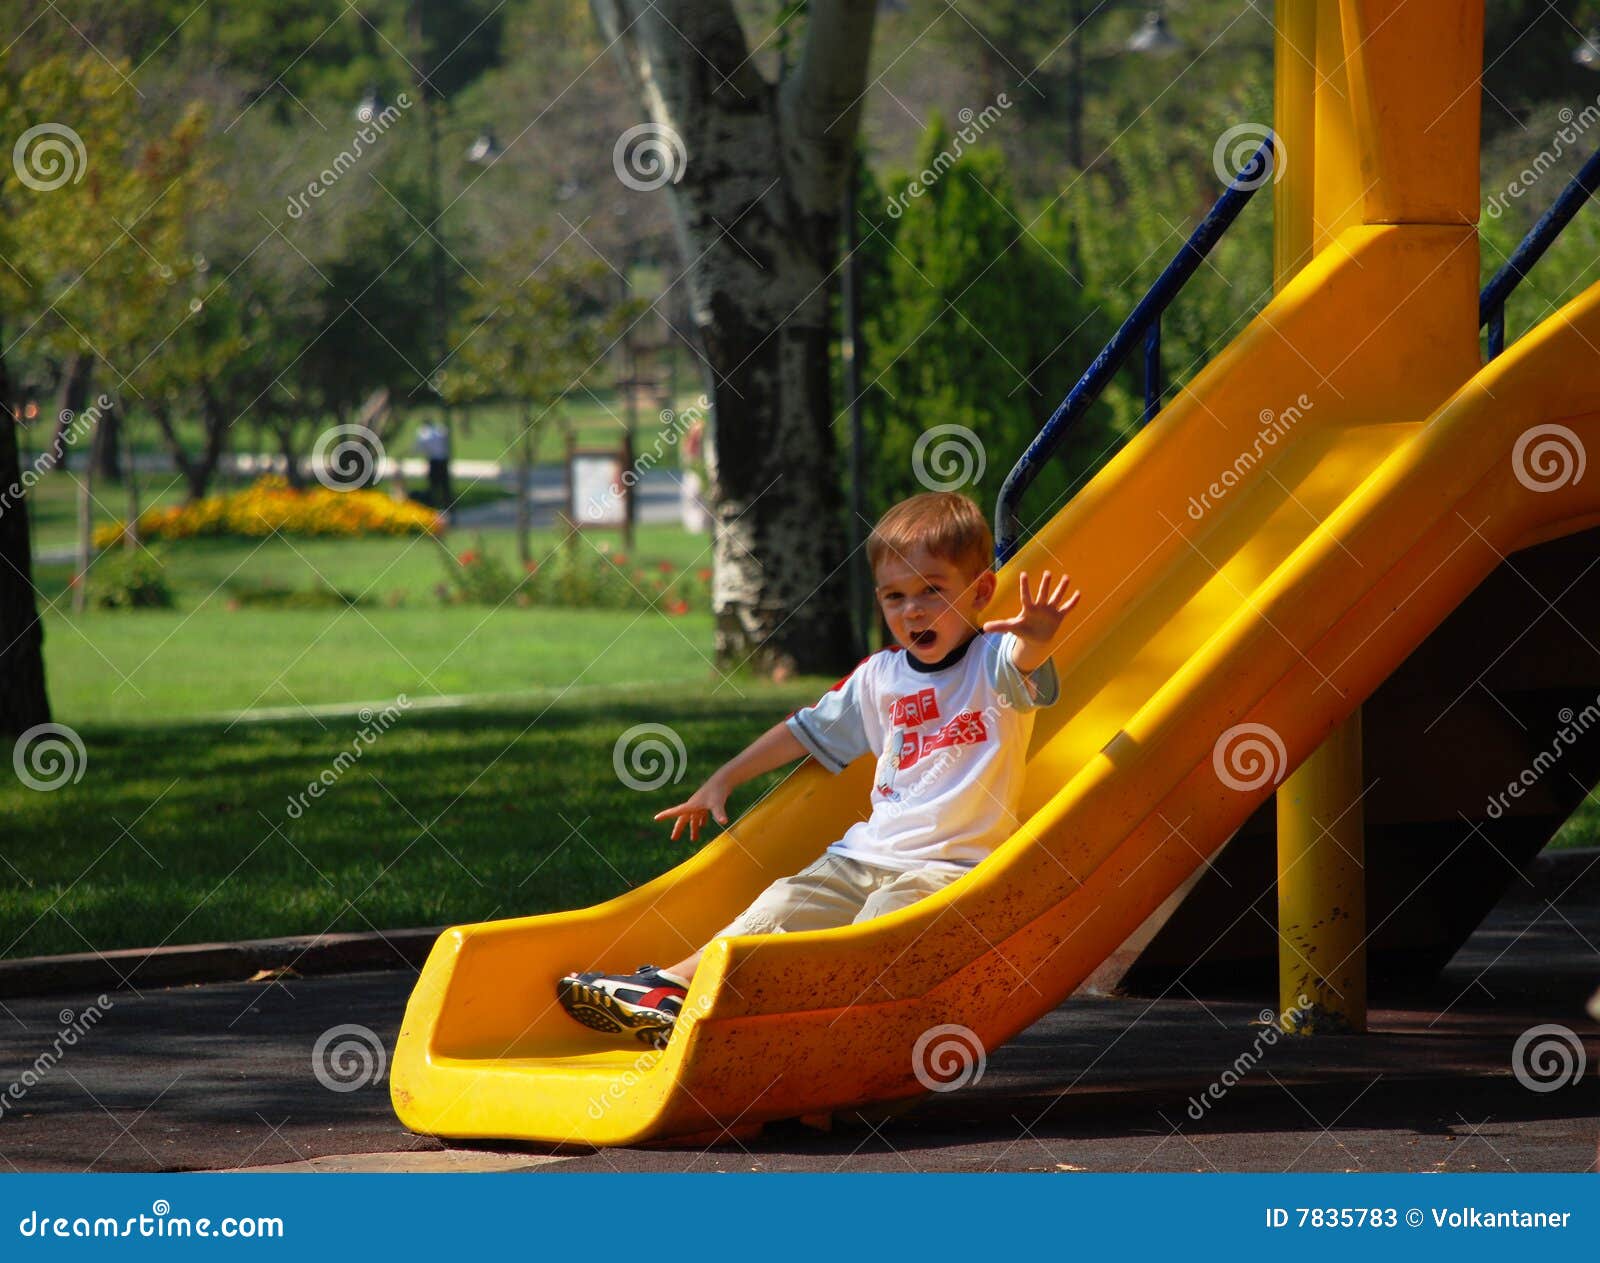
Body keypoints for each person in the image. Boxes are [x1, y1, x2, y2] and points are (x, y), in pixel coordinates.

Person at [557, 490, 1082, 1048]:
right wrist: (724, 778)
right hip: (863, 854)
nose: (913, 610)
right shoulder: (879, 676)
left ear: (979, 593)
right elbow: (801, 730)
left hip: (949, 867)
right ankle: (672, 988)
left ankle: (817, 1035)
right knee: (780, 905)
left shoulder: (992, 662)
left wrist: (1039, 635)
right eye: (895, 596)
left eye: (933, 590)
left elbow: (1024, 664)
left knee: (879, 924)